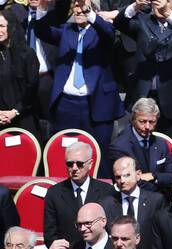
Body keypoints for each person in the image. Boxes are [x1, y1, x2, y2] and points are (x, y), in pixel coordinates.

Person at [31, 0, 121, 152]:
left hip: (96, 104)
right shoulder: (67, 30)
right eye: (76, 7)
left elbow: (108, 33)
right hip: (66, 104)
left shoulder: (101, 32)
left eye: (83, 7)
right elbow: (42, 31)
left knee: (98, 154)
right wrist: (41, 9)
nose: (79, 10)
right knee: (64, 151)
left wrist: (88, 11)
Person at [0, 7, 40, 142]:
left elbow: (32, 88)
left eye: (2, 26)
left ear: (11, 27)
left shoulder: (27, 54)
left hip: (23, 118)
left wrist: (14, 112)